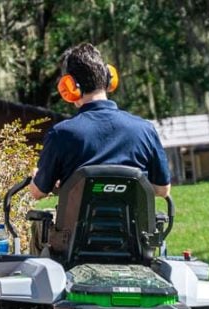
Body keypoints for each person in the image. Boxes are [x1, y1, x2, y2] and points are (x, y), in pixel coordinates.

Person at [29, 43, 171, 200]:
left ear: (69, 86)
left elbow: (38, 192)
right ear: (109, 79)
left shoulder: (61, 134)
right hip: (131, 225)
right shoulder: (145, 130)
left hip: (76, 225)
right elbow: (163, 189)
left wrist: (37, 177)